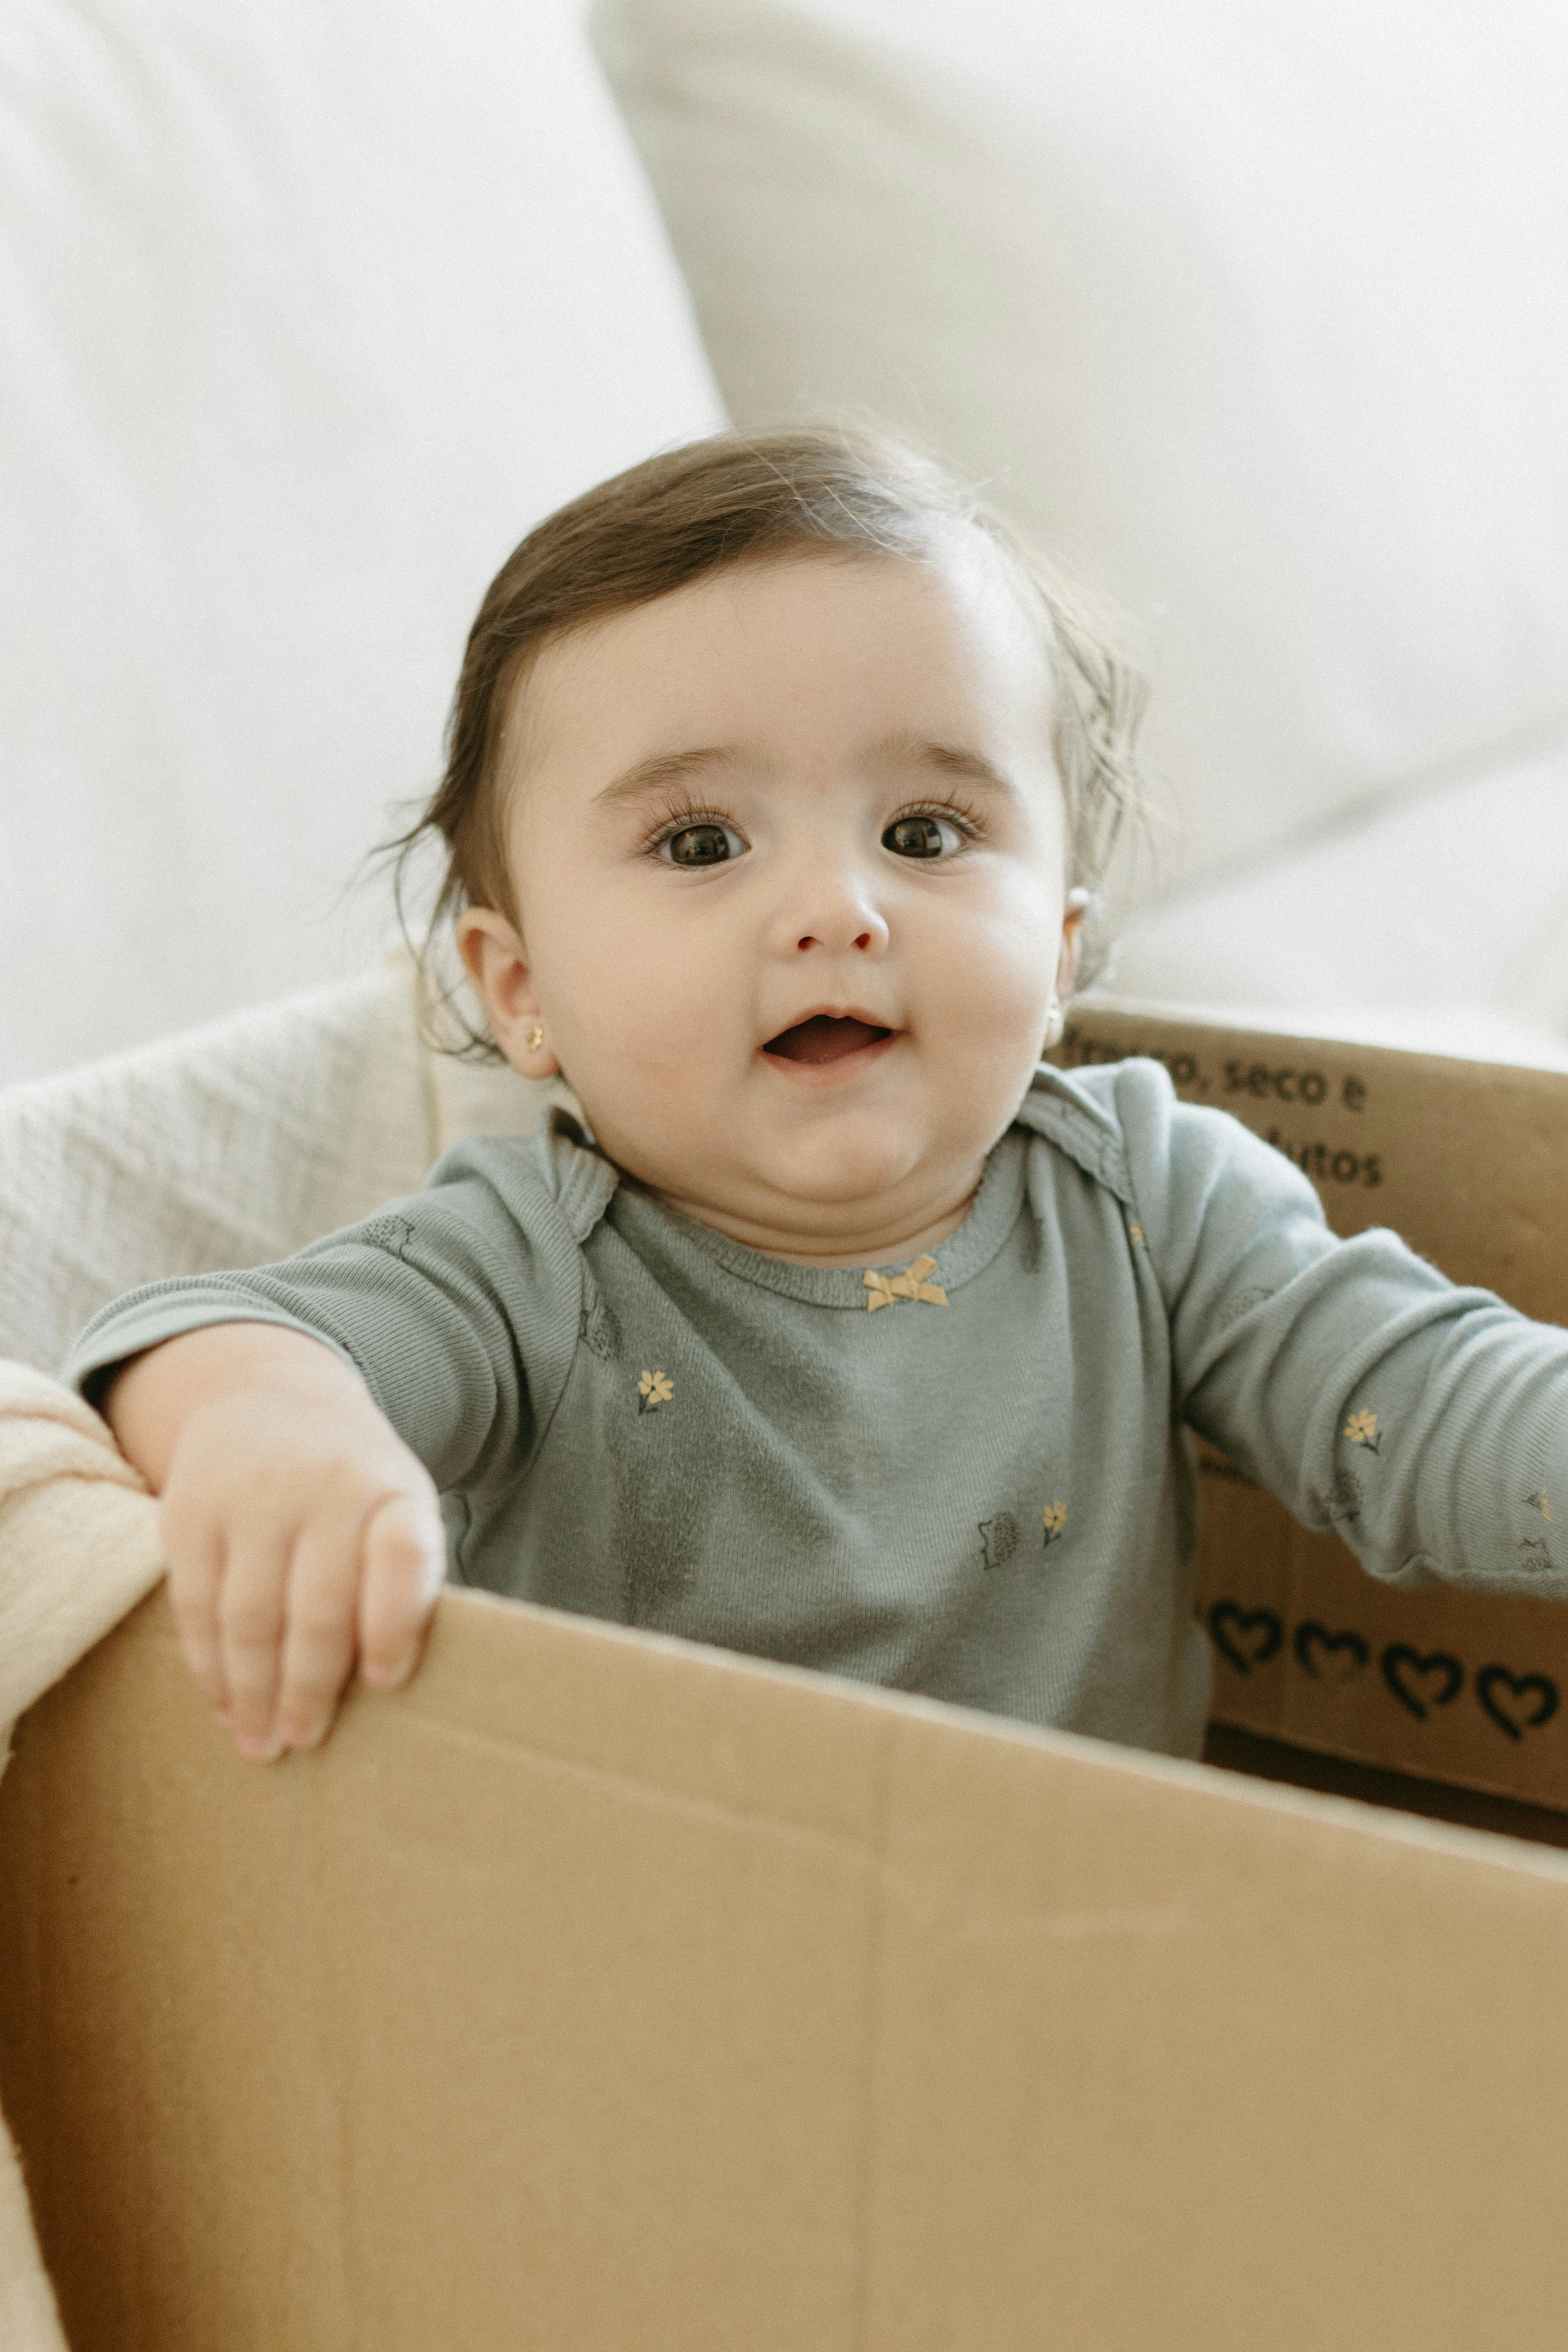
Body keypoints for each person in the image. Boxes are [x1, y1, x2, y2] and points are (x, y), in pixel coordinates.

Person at [67, 429, 1568, 1766]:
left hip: (1083, 1967)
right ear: (520, 992)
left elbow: (1418, 1405)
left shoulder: (1146, 1201)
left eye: (924, 829)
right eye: (703, 843)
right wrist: (274, 1425)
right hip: (650, 1984)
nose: (835, 908)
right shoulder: (525, 1264)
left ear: (1056, 955)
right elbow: (204, 1334)